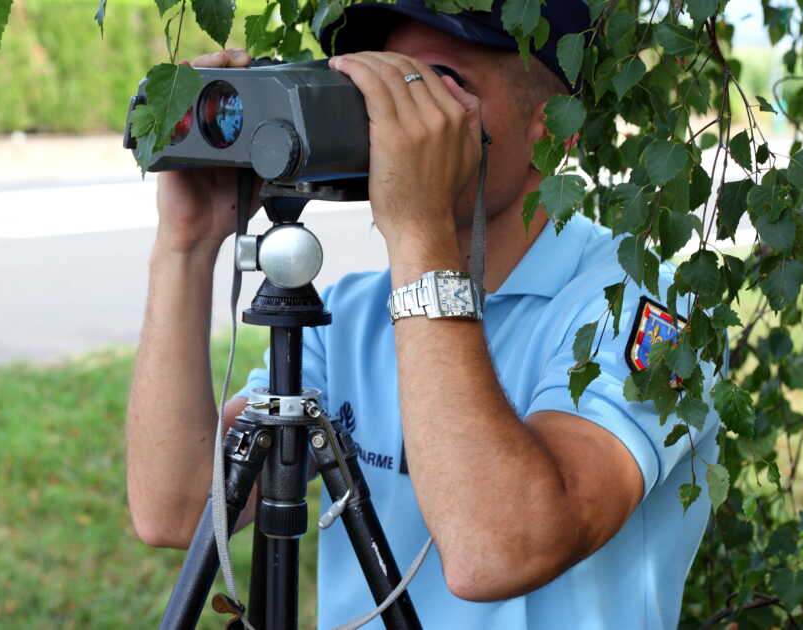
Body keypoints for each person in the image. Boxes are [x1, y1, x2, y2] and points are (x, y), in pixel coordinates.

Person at [125, 0, 722, 627]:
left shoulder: (646, 307)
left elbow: (495, 553)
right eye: (382, 82)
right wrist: (186, 245)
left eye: (435, 86)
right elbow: (179, 507)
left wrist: (418, 231)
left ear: (552, 130)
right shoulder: (353, 315)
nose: (397, 122)